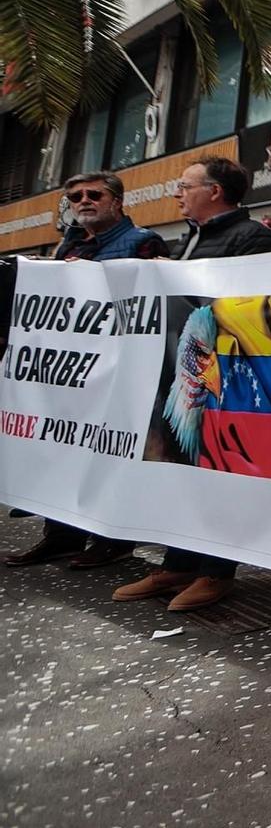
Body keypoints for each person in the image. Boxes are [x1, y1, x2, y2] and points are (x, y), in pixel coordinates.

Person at [110, 156, 271, 611]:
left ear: (216, 191)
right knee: (176, 471)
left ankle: (216, 571)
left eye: (185, 185)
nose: (177, 194)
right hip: (176, 379)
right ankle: (178, 561)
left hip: (223, 382)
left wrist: (181, 278)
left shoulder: (254, 238)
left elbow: (253, 305)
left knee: (215, 475)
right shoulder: (187, 240)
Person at [3, 172, 167, 570]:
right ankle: (59, 536)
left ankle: (114, 539)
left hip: (117, 373)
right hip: (72, 376)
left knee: (112, 455)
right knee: (64, 452)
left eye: (95, 194)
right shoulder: (70, 245)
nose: (84, 201)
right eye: (75, 196)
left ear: (118, 201)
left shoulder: (144, 242)